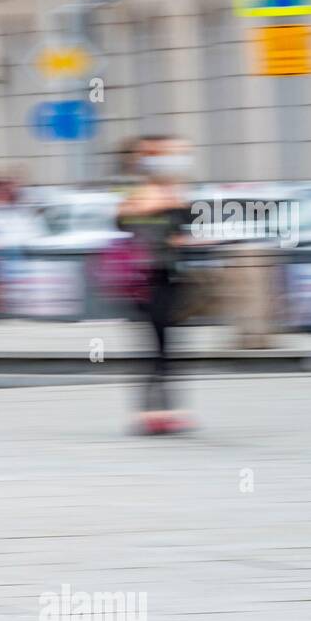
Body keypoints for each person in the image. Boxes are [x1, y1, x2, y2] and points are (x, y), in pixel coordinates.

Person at [116, 135, 197, 434]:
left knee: (165, 347)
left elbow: (178, 231)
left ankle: (161, 410)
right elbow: (128, 224)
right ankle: (150, 412)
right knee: (158, 347)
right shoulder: (143, 196)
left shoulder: (166, 194)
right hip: (149, 280)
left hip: (166, 277)